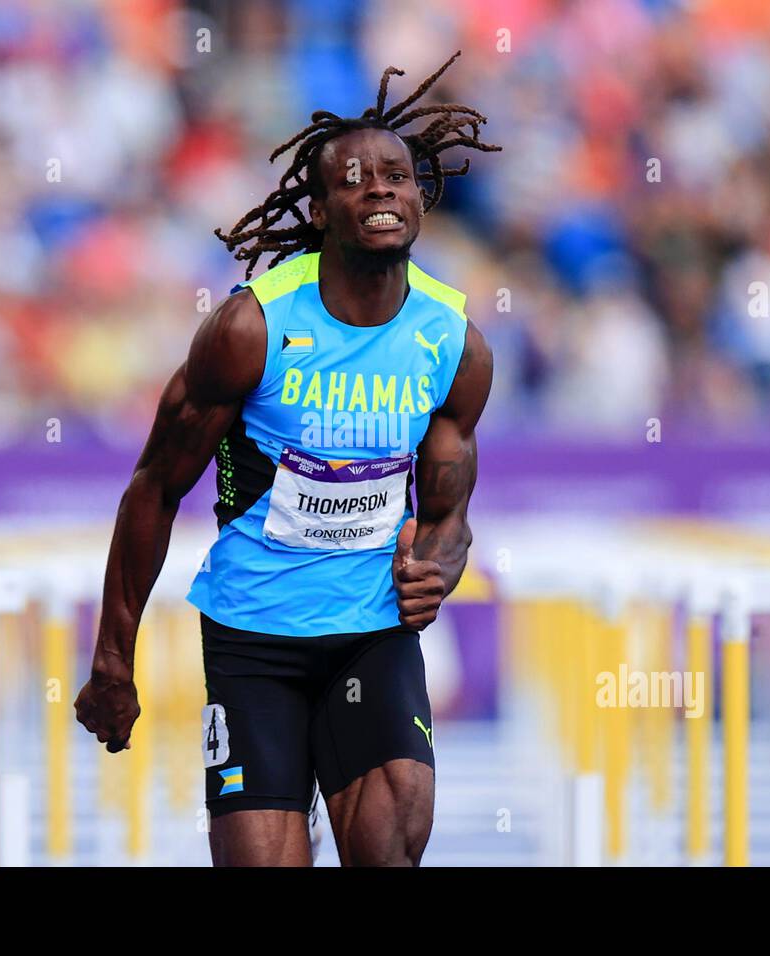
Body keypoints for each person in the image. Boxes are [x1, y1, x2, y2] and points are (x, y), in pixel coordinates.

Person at [76, 51, 497, 866]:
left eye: (396, 175)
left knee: (390, 849)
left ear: (420, 197)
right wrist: (111, 663)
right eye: (354, 178)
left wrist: (438, 568)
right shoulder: (250, 331)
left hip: (372, 633)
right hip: (252, 636)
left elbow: (450, 518)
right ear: (320, 206)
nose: (379, 188)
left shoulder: (454, 344)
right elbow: (155, 490)